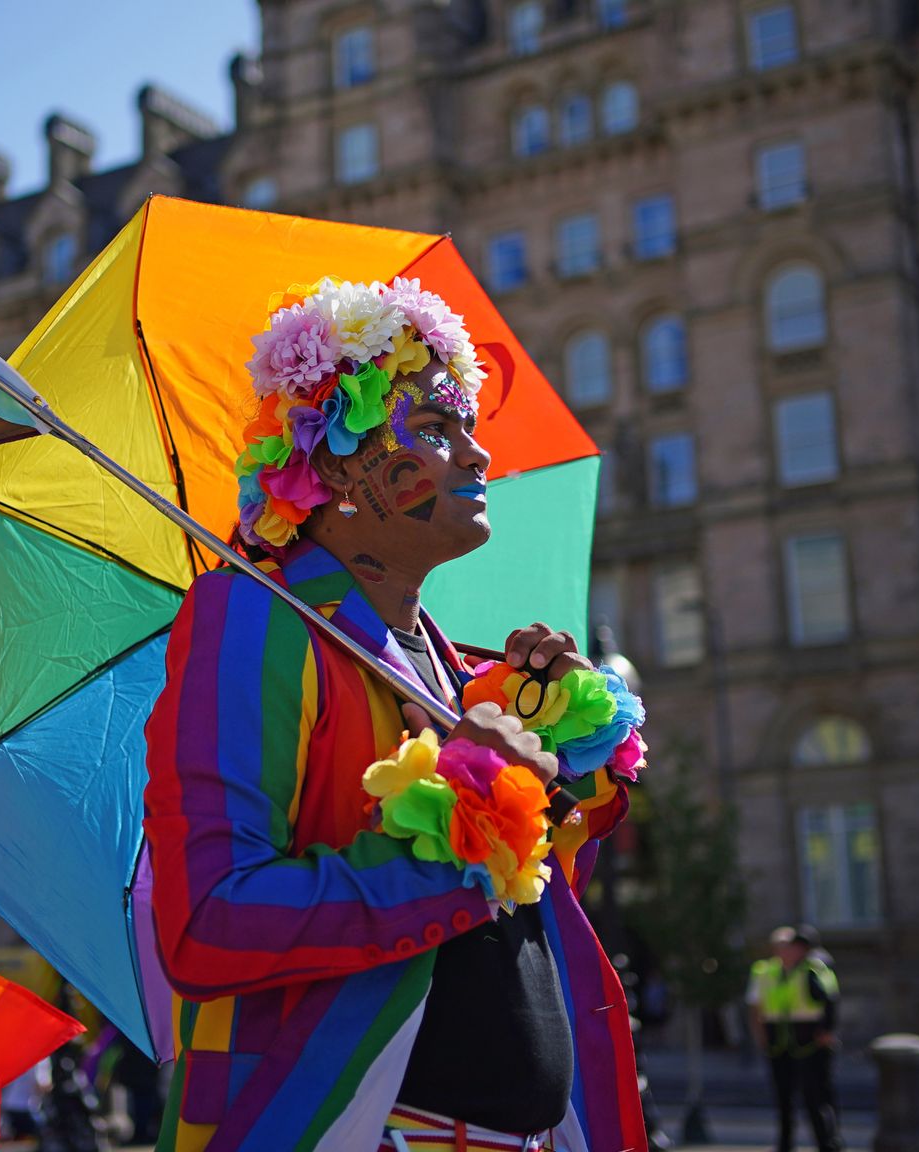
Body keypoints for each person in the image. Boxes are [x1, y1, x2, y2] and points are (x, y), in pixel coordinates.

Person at [144, 277, 648, 1150]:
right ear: (337, 465)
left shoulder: (458, 668)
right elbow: (209, 921)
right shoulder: (255, 617)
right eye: (435, 430)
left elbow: (519, 898)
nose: (476, 456)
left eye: (468, 427)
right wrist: (470, 805)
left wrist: (563, 747)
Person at [747, 925, 842, 1152]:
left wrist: (827, 1031)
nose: (785, 951)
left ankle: (827, 1144)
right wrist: (760, 1037)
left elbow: (830, 1001)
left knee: (816, 1099)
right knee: (784, 1101)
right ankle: (785, 1145)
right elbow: (756, 1007)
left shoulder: (814, 969)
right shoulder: (765, 971)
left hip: (809, 1043)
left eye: (789, 946)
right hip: (780, 1043)